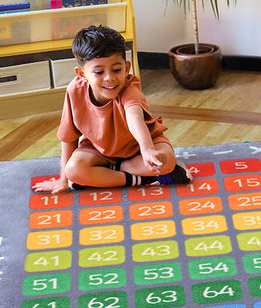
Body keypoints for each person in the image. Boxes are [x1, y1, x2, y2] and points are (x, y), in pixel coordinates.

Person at [33, 25, 191, 193]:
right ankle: (143, 179)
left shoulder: (130, 89)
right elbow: (68, 137)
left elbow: (135, 117)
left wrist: (147, 149)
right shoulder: (74, 91)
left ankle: (108, 174)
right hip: (98, 150)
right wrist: (64, 180)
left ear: (127, 68)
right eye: (99, 72)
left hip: (139, 149)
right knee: (73, 170)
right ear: (82, 74)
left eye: (117, 70)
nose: (109, 78)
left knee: (167, 161)